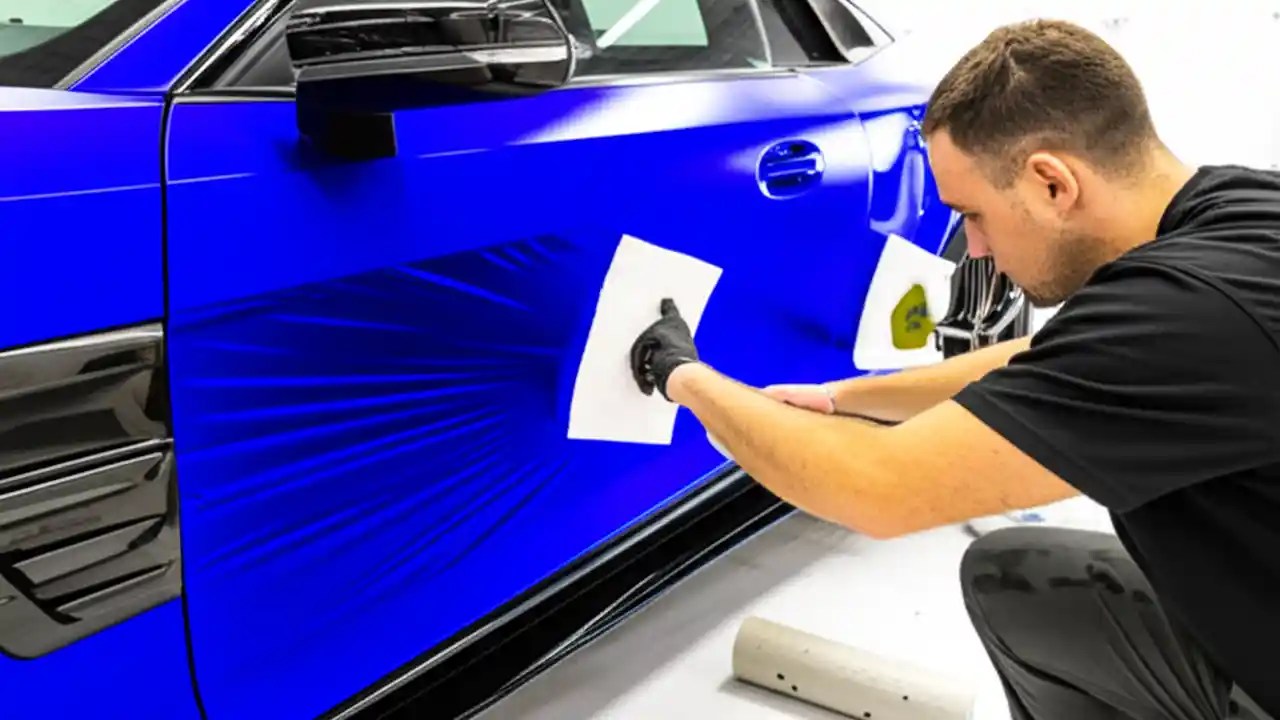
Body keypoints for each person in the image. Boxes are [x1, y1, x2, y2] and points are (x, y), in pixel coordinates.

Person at [627, 19, 1280, 720]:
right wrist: (843, 396)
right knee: (1016, 582)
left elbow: (876, 490)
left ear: (1051, 184)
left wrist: (683, 376)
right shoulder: (1237, 213)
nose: (972, 250)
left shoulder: (1182, 318)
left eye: (974, 214)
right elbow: (1056, 359)